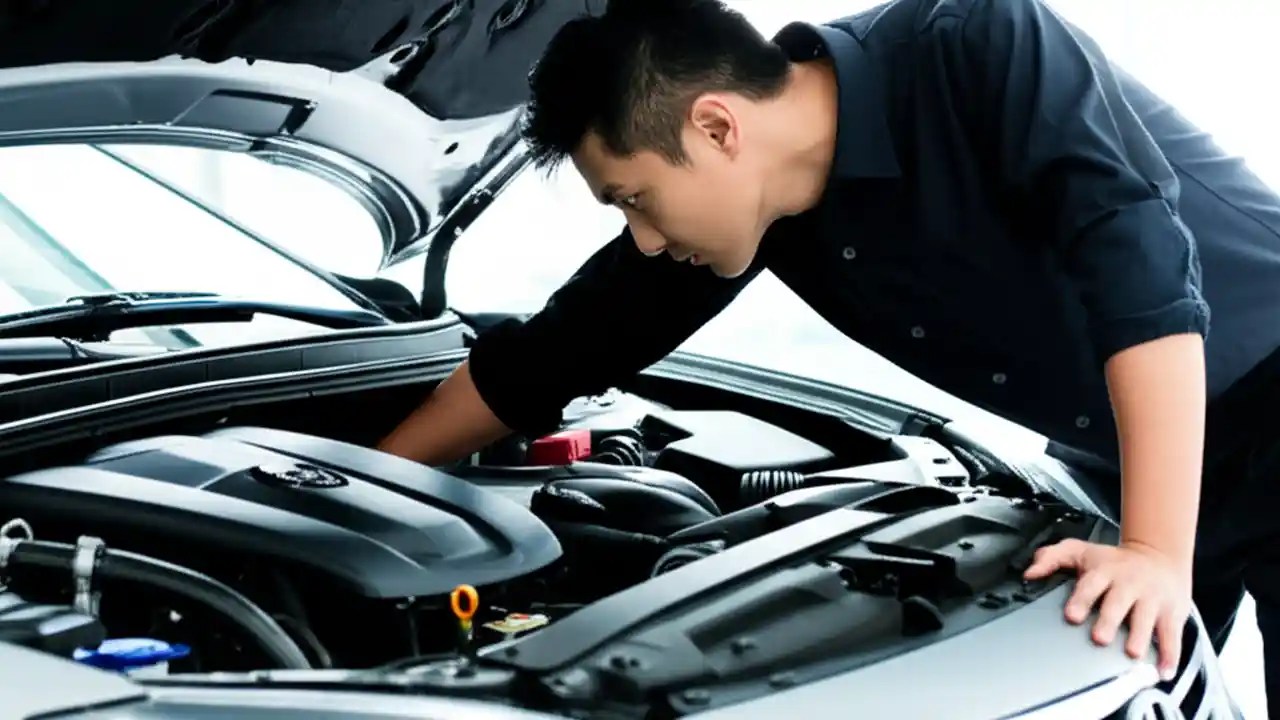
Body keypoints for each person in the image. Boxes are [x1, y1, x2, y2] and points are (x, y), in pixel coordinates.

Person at [378, 0, 1280, 707]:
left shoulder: (976, 41)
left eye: (635, 200)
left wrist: (1159, 550)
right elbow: (560, 351)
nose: (643, 239)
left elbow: (1142, 274)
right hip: (1137, 449)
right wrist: (365, 482)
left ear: (717, 127)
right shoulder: (760, 204)